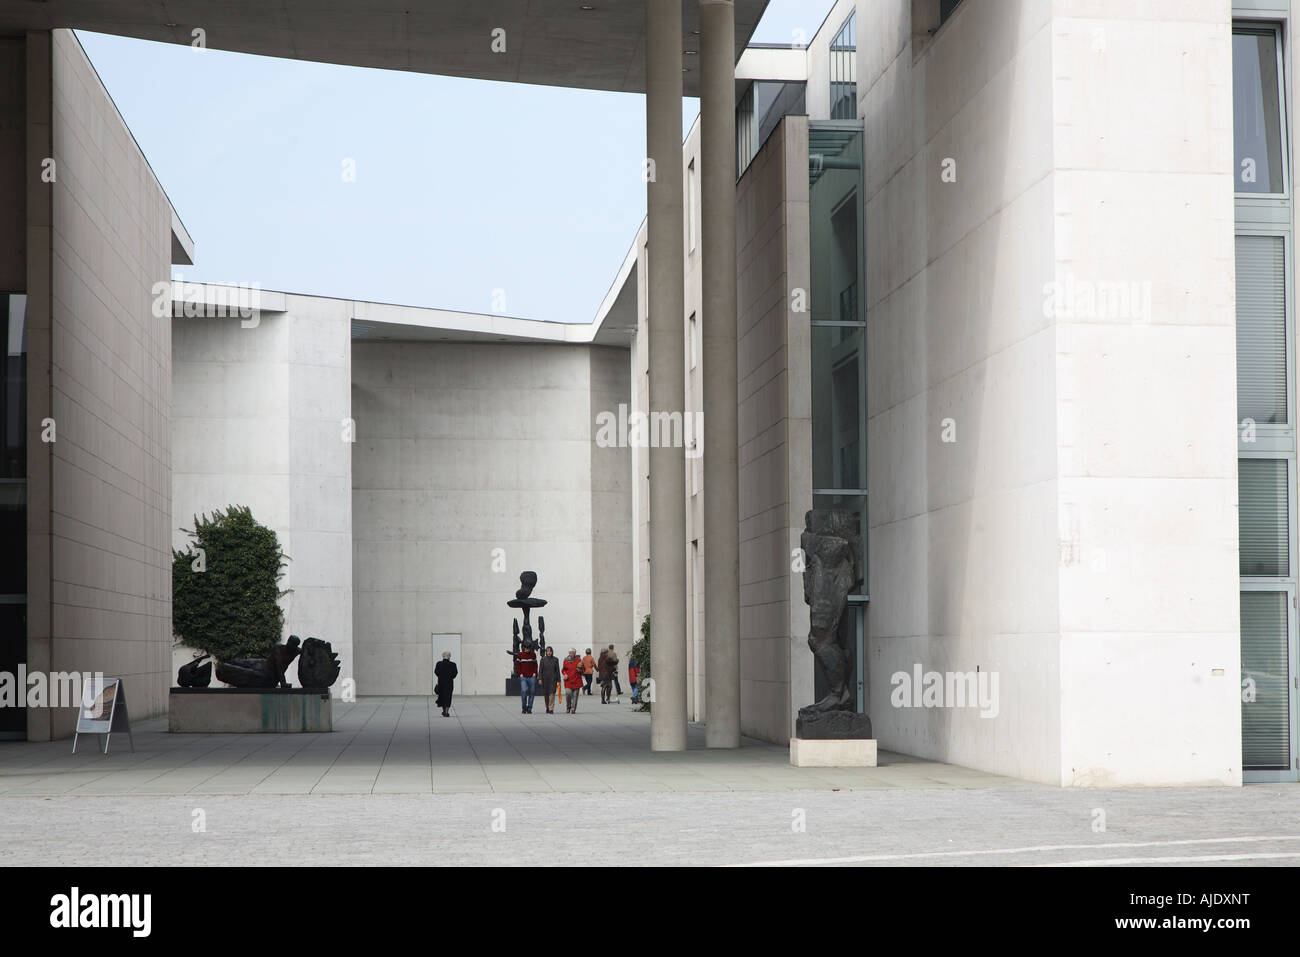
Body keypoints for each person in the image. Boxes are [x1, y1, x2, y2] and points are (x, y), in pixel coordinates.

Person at [510, 640, 538, 714]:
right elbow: (517, 665)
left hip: (532, 677)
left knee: (532, 692)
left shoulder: (533, 655)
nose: (527, 649)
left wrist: (535, 673)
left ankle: (529, 708)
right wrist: (520, 674)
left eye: (528, 648)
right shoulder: (520, 655)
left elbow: (535, 665)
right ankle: (524, 707)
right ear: (524, 648)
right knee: (524, 691)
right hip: (523, 677)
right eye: (526, 648)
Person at [434, 650, 458, 717]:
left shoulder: (439, 664)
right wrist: (450, 678)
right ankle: (447, 712)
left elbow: (436, 672)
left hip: (441, 683)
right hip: (449, 683)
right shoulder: (453, 664)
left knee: (442, 696)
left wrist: (441, 677)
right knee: (448, 697)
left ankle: (444, 711)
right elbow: (455, 673)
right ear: (449, 656)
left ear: (442, 656)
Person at [538, 646, 562, 715]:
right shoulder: (543, 660)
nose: (549, 652)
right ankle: (547, 707)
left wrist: (559, 680)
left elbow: (557, 670)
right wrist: (540, 678)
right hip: (545, 679)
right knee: (546, 695)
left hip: (553, 679)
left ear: (552, 652)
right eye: (547, 651)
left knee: (552, 694)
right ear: (546, 652)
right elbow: (540, 670)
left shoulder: (555, 660)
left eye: (550, 651)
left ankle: (551, 708)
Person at [562, 648, 584, 714]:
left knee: (575, 696)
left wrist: (580, 670)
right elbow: (563, 669)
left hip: (576, 680)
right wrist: (565, 674)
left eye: (572, 653)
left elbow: (583, 669)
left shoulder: (579, 660)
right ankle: (568, 707)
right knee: (568, 693)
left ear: (575, 653)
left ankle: (573, 709)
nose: (571, 654)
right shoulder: (566, 660)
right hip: (568, 680)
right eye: (570, 653)